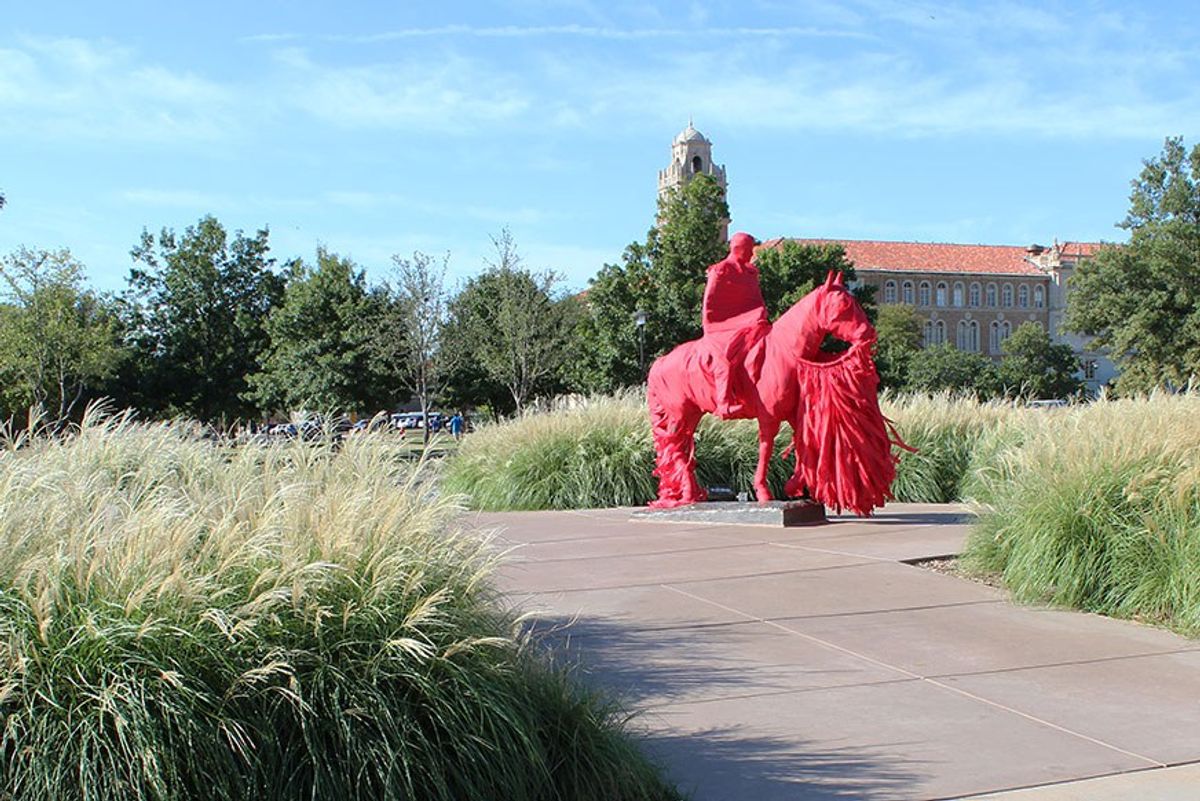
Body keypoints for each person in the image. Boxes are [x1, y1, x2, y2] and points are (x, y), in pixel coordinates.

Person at [701, 231, 769, 418]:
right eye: (748, 250)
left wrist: (759, 313)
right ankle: (724, 403)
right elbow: (711, 302)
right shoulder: (721, 270)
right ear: (738, 248)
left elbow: (755, 301)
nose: (751, 254)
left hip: (749, 322)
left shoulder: (750, 273)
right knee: (726, 355)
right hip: (721, 324)